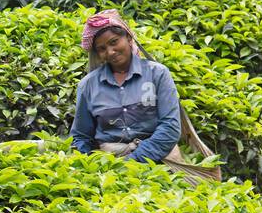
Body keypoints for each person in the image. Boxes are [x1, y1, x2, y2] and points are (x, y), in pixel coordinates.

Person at [70, 10, 184, 169]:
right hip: (110, 164)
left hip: (161, 160)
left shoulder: (157, 74)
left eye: (114, 42)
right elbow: (81, 136)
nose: (110, 52)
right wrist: (87, 168)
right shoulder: (88, 85)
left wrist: (132, 161)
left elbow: (170, 128)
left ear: (129, 38)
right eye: (102, 49)